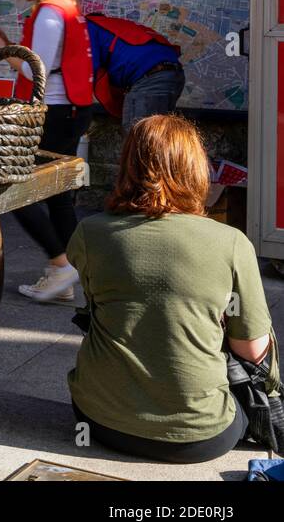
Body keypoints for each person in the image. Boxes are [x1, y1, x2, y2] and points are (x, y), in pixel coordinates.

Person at [67, 114, 274, 464]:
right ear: (195, 169)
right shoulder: (231, 242)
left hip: (97, 419)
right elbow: (252, 350)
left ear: (127, 166)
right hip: (201, 436)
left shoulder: (90, 233)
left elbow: (97, 306)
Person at [0, 0, 93, 304]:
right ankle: (68, 272)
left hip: (52, 110)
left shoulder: (48, 15)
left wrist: (1, 50)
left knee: (11, 188)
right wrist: (9, 47)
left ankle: (60, 265)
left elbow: (32, 69)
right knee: (58, 196)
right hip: (72, 107)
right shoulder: (67, 8)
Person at [84, 13, 184, 128]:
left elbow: (87, 71)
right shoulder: (115, 28)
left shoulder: (88, 27)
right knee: (158, 137)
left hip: (152, 78)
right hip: (173, 74)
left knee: (137, 136)